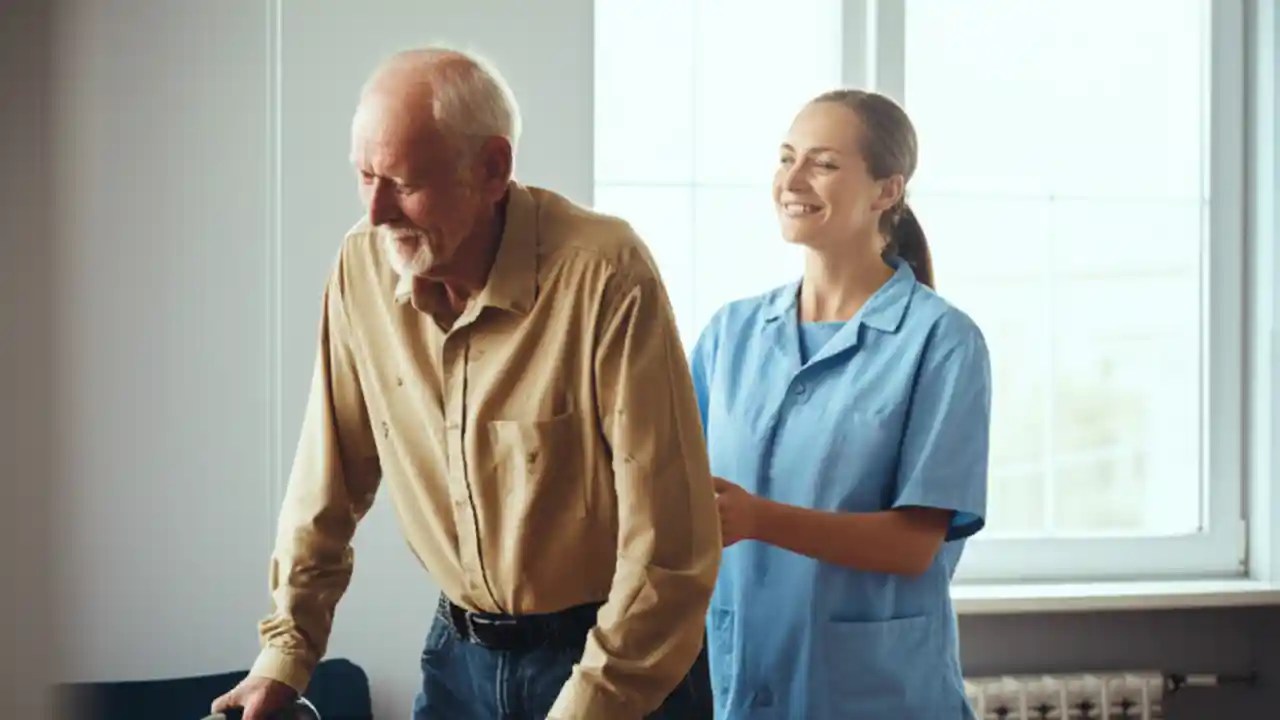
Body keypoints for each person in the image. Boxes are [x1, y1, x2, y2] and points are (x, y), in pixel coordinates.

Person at [212, 47, 719, 720]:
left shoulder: (604, 273)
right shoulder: (361, 265)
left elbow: (671, 547)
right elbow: (326, 483)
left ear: (492, 169)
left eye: (403, 182)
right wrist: (286, 653)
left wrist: (589, 705)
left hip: (616, 664)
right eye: (363, 175)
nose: (376, 210)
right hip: (457, 660)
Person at [690, 89, 992, 719]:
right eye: (785, 158)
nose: (792, 180)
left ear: (887, 190)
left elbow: (914, 545)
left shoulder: (942, 342)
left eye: (823, 163)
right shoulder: (730, 334)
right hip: (737, 688)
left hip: (876, 695)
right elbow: (678, 497)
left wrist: (758, 519)